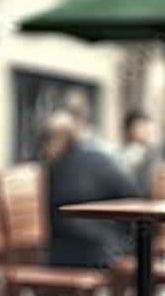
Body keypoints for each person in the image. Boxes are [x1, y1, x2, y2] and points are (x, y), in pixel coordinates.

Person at [45, 113, 142, 268]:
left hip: (69, 255)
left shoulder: (55, 170)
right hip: (113, 250)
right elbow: (134, 194)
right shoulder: (102, 159)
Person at [120, 109, 159, 196]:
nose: (147, 131)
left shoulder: (150, 151)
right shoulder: (130, 153)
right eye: (141, 127)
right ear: (130, 130)